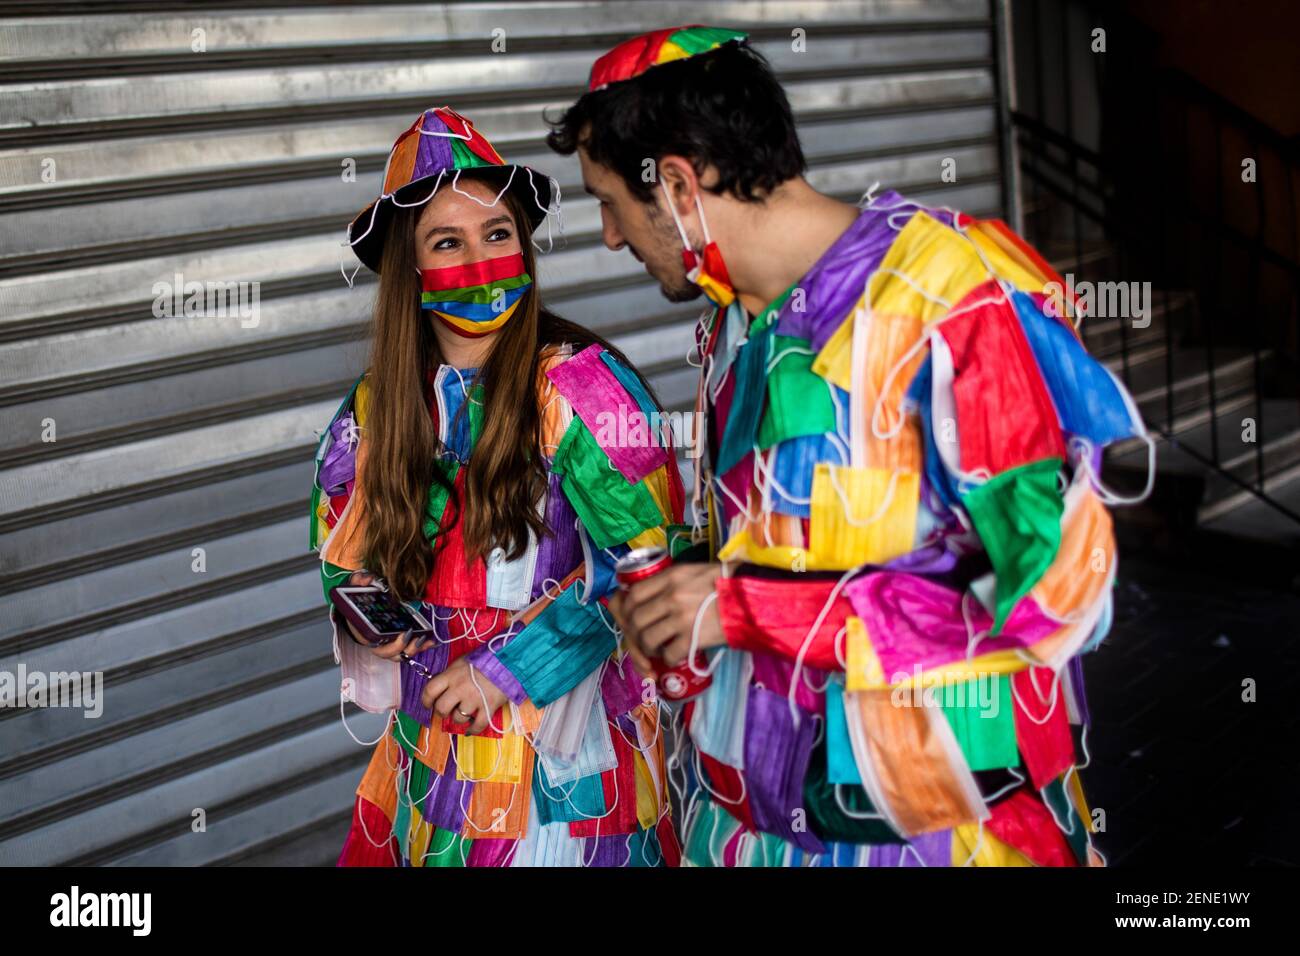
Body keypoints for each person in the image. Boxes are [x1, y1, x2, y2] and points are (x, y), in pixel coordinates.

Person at [547, 27, 1150, 866]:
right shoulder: (736, 323)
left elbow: (1061, 593)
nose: (610, 235)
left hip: (940, 841)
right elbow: (798, 553)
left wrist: (745, 610)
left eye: (609, 202)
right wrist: (684, 599)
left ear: (680, 187)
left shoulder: (954, 297)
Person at [310, 106, 686, 867]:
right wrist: (364, 607)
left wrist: (508, 671)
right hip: (430, 757)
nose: (480, 259)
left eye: (498, 233)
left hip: (568, 773)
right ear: (407, 271)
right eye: (447, 241)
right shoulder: (378, 404)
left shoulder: (584, 388)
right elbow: (338, 538)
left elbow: (652, 561)